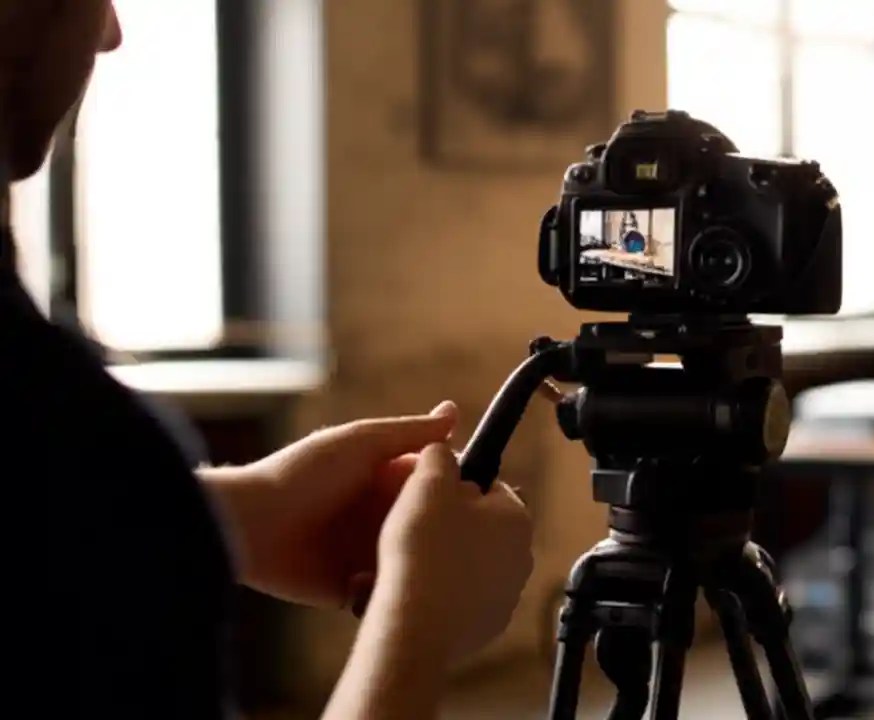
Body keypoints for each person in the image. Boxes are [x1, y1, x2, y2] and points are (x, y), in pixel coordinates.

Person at [2, 2, 533, 717]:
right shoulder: (66, 418)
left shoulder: (76, 446)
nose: (110, 32)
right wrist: (418, 623)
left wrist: (238, 512)